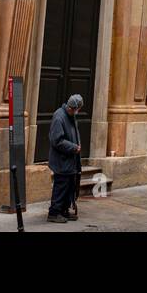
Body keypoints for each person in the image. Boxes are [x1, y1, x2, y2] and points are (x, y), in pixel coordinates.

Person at [47, 94, 83, 223]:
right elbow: (57, 140)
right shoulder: (59, 117)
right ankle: (54, 212)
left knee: (69, 186)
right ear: (71, 107)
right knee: (61, 186)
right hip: (61, 160)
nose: (76, 112)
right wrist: (73, 147)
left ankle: (64, 210)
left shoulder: (70, 116)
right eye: (76, 109)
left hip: (70, 160)